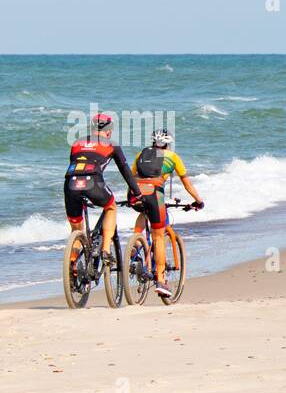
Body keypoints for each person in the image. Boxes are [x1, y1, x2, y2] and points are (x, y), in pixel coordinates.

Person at [64, 112, 143, 273]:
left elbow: (75, 163)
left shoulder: (77, 143)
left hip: (70, 184)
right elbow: (125, 171)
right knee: (111, 206)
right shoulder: (111, 144)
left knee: (77, 230)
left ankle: (72, 264)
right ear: (109, 131)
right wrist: (137, 193)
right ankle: (106, 249)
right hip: (93, 182)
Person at [130, 129, 205, 298]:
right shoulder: (173, 157)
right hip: (155, 195)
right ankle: (161, 280)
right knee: (158, 236)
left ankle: (134, 247)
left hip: (136, 194)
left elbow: (132, 175)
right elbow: (187, 184)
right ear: (168, 143)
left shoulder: (141, 154)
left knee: (143, 212)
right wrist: (198, 201)